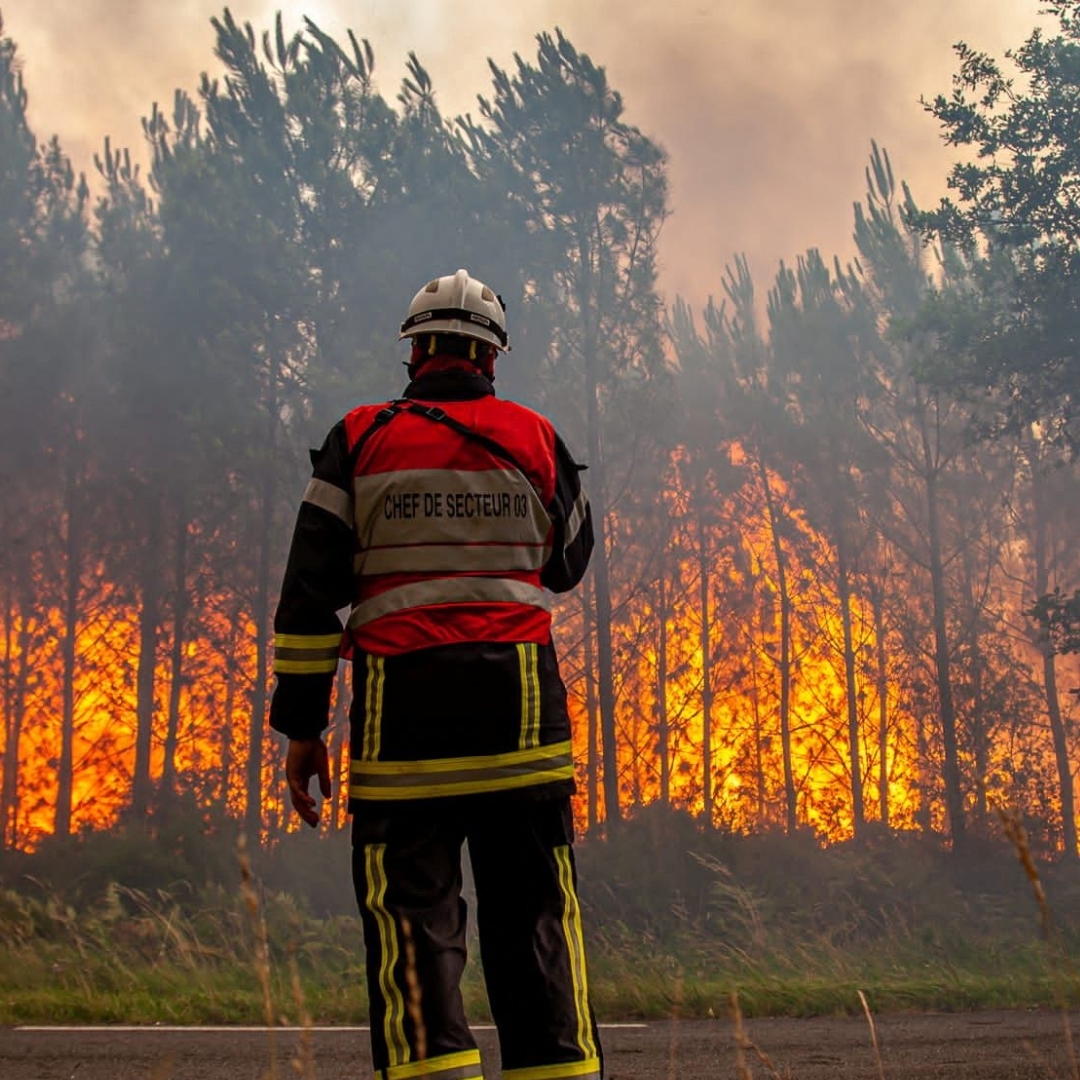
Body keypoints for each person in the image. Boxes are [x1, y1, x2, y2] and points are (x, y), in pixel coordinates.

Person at [269, 269, 601, 1080]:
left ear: (414, 351)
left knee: (412, 931)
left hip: (401, 730)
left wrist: (304, 731)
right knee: (535, 926)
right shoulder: (537, 438)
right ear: (493, 357)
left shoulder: (359, 438)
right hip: (522, 727)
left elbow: (309, 602)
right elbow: (569, 566)